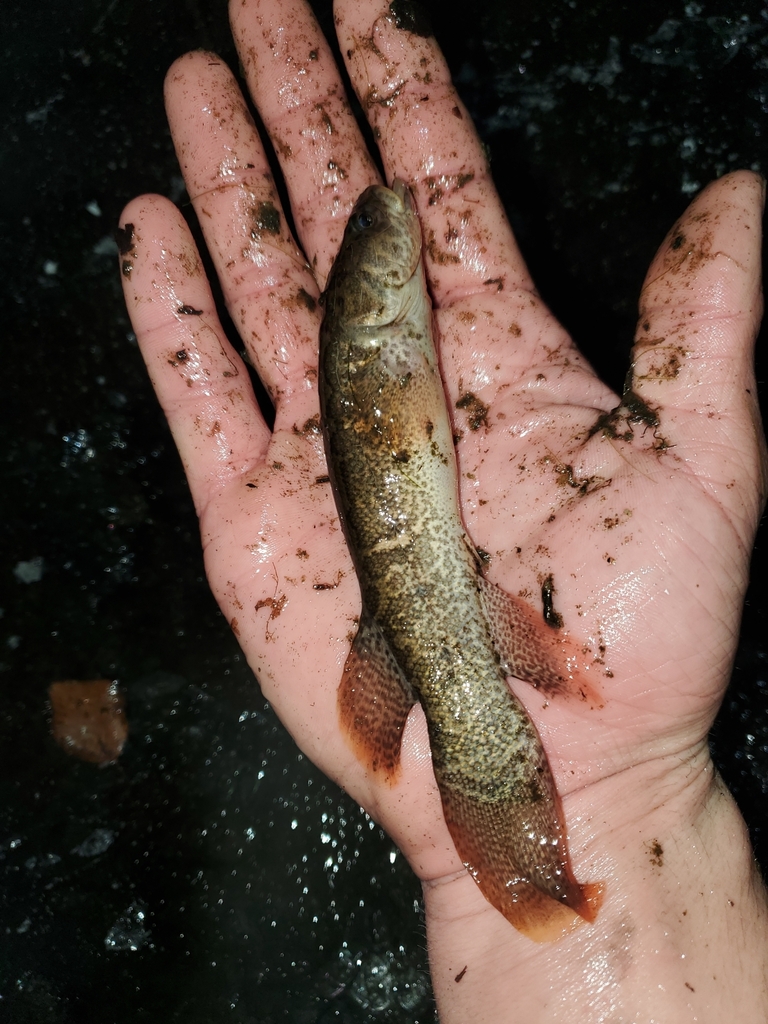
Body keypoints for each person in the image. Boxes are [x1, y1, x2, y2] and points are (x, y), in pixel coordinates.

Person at [118, 0, 768, 1019]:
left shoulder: (392, 322)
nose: (392, 232)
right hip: (427, 594)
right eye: (374, 250)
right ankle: (538, 868)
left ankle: (541, 867)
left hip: (435, 586)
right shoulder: (372, 326)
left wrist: (625, 792)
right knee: (458, 681)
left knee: (459, 676)